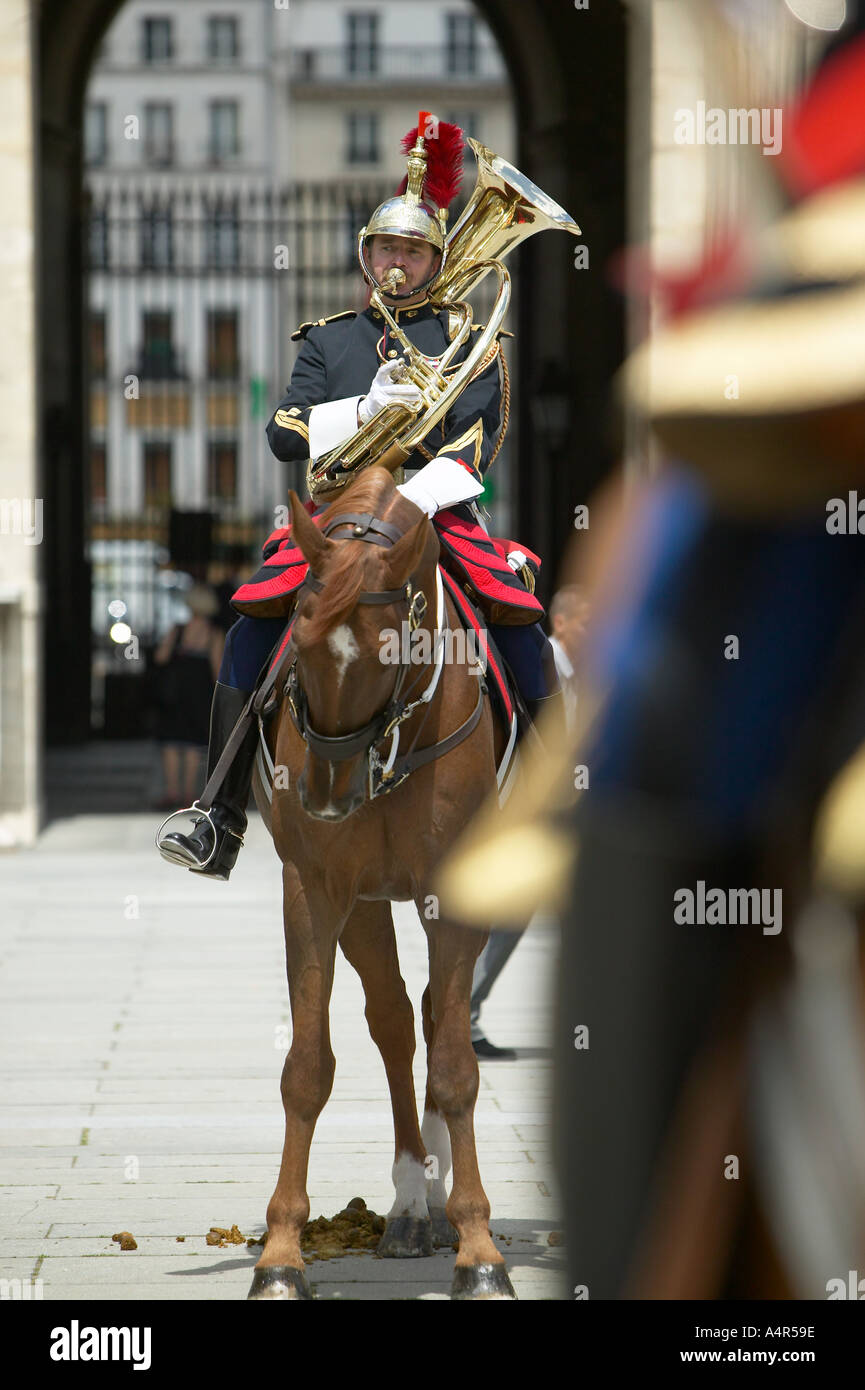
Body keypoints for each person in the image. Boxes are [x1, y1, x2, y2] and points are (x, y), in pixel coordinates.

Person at [157, 112, 562, 880]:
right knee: (250, 625)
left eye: (411, 250)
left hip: (436, 514)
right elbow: (283, 432)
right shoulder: (329, 339)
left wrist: (404, 509)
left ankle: (558, 809)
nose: (395, 262)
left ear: (436, 259)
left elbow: (473, 451)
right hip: (336, 518)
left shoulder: (471, 344)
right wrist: (362, 410)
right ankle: (218, 813)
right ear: (364, 255)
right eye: (383, 249)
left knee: (520, 624)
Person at [151, 584, 224, 810]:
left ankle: (171, 792)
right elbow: (217, 671)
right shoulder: (214, 634)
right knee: (193, 746)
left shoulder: (178, 630)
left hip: (175, 696)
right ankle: (188, 794)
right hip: (200, 696)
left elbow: (160, 657)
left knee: (171, 745)